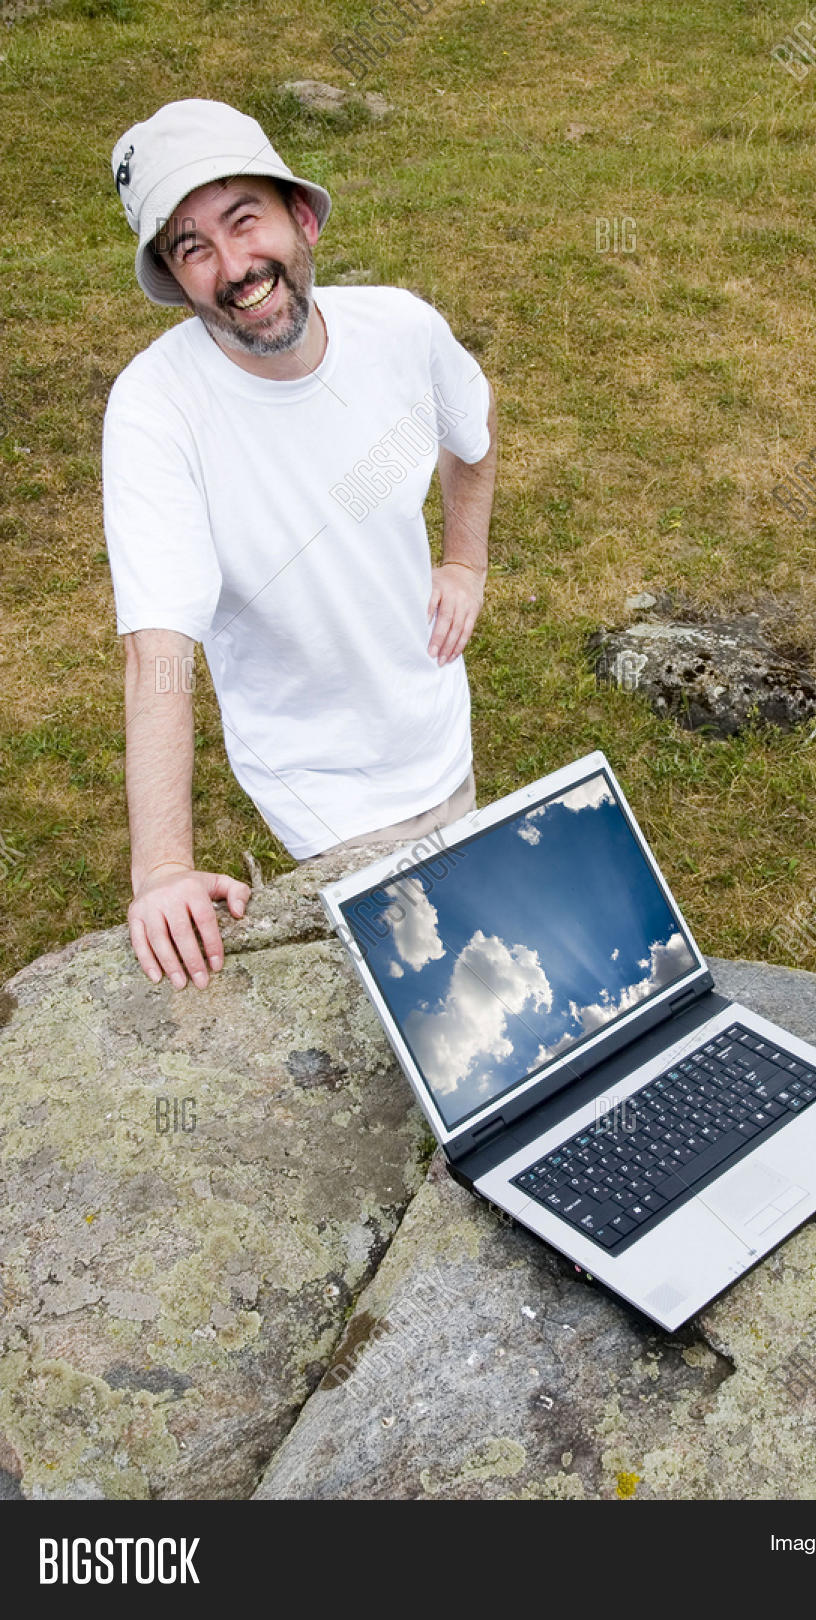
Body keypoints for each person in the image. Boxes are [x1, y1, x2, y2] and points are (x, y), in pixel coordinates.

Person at [103, 99, 497, 993]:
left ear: (302, 217)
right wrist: (162, 866)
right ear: (175, 276)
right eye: (193, 247)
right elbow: (157, 648)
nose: (235, 268)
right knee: (428, 995)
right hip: (316, 780)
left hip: (434, 718)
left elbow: (470, 433)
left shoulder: (401, 328)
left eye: (245, 221)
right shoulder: (155, 410)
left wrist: (464, 562)